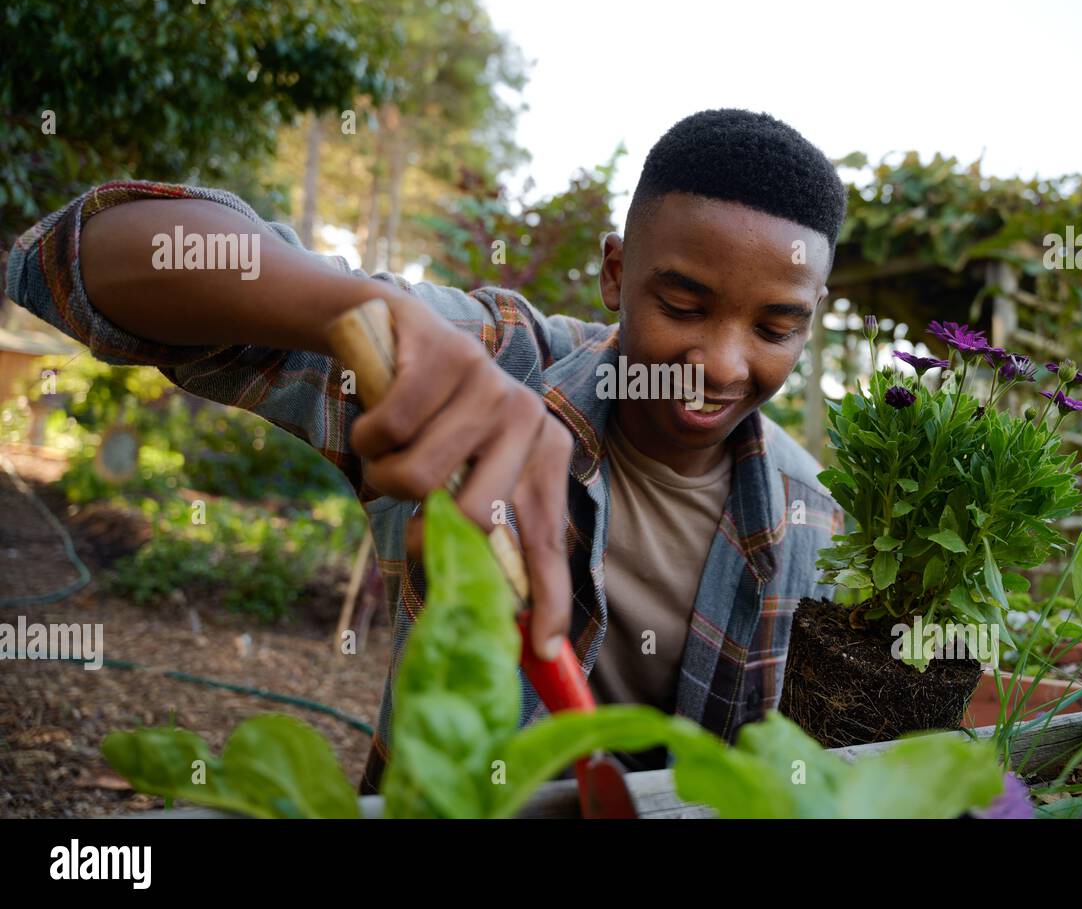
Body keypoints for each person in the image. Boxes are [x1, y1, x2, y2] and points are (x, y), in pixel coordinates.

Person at [5, 108, 847, 786]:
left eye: (775, 326)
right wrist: (367, 315)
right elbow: (80, 260)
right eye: (685, 305)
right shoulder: (493, 366)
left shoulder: (811, 512)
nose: (724, 363)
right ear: (614, 273)